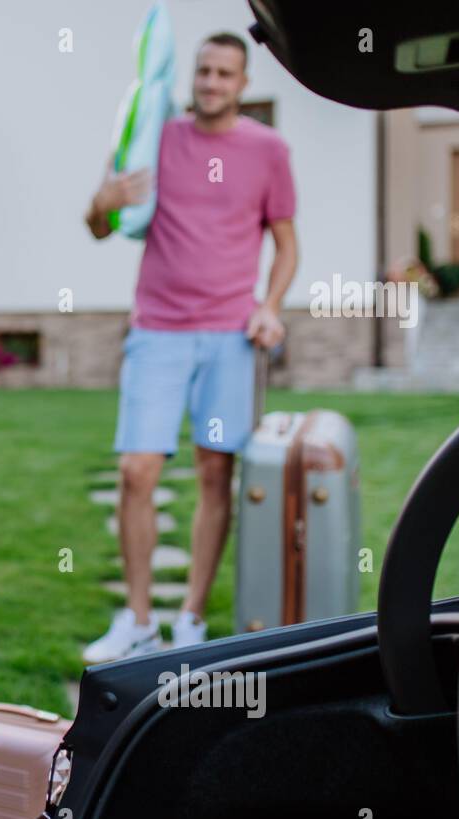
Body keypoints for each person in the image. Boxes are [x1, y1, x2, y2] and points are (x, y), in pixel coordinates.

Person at [81, 31, 298, 663]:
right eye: (204, 71)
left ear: (243, 82)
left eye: (225, 74)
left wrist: (270, 306)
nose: (211, 83)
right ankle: (139, 619)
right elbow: (97, 226)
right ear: (192, 76)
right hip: (157, 330)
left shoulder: (268, 150)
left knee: (214, 471)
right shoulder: (154, 137)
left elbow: (287, 245)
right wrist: (104, 202)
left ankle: (193, 617)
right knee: (136, 471)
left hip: (230, 336)